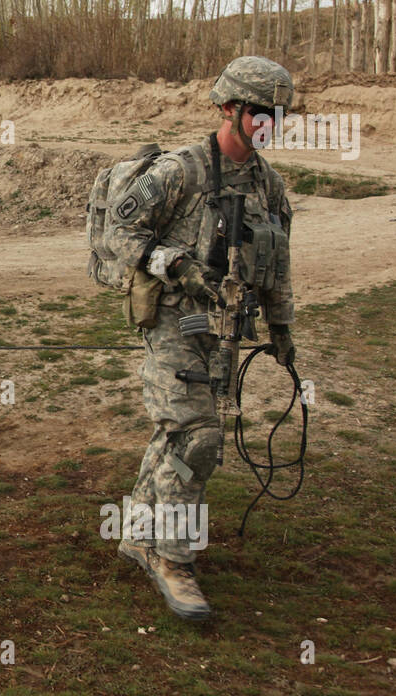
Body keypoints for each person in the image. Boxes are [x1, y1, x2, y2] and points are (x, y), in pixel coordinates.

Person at [104, 55, 297, 621]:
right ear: (228, 108)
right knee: (199, 438)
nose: (269, 124)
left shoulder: (270, 185)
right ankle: (173, 559)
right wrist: (172, 262)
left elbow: (280, 263)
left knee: (176, 432)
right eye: (260, 112)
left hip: (226, 329)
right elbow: (121, 229)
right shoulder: (181, 172)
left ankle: (138, 533)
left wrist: (282, 330)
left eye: (278, 115)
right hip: (171, 320)